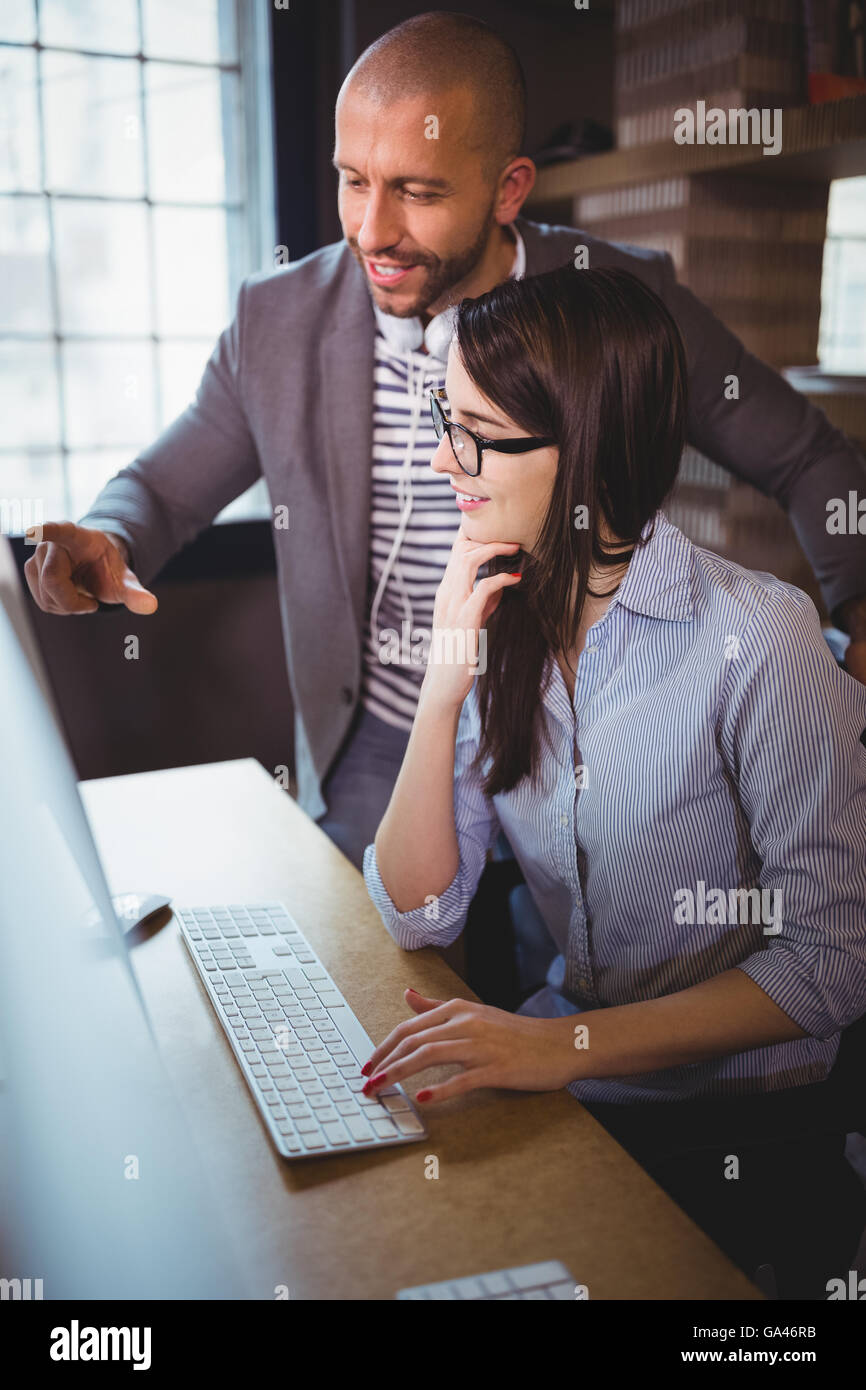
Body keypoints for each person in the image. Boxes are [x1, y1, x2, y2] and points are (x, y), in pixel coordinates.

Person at [21, 12, 866, 881]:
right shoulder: (276, 319)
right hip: (381, 739)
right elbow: (164, 489)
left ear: (509, 189)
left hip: (581, 733)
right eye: (354, 181)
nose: (371, 231)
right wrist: (109, 536)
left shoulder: (618, 298)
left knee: (570, 998)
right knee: (369, 997)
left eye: (418, 193)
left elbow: (807, 454)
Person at [361, 264, 866, 1299]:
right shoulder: (499, 610)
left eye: (473, 433)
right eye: (439, 418)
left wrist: (561, 1044)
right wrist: (441, 689)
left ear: (580, 449)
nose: (442, 457)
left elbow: (829, 965)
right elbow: (418, 910)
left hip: (737, 1121)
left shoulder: (755, 637)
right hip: (576, 1086)